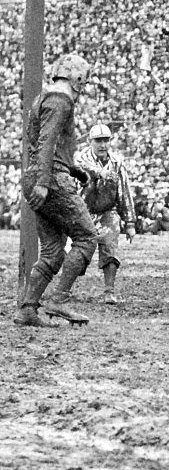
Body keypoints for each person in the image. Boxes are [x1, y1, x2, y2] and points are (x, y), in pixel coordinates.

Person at [15, 53, 97, 327]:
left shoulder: (43, 98)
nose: (83, 86)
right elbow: (47, 140)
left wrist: (72, 169)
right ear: (77, 78)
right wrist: (44, 180)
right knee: (86, 237)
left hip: (40, 176)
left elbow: (38, 142)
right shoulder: (62, 101)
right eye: (83, 81)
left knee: (52, 250)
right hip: (49, 180)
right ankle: (59, 300)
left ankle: (27, 309)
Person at [75, 122, 137, 304]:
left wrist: (130, 222)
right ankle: (66, 289)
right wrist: (100, 172)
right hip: (81, 212)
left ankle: (109, 290)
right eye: (98, 141)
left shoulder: (117, 163)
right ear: (90, 141)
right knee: (78, 251)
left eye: (106, 141)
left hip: (107, 211)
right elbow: (83, 167)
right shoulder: (80, 158)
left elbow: (124, 192)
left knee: (110, 245)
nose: (102, 145)